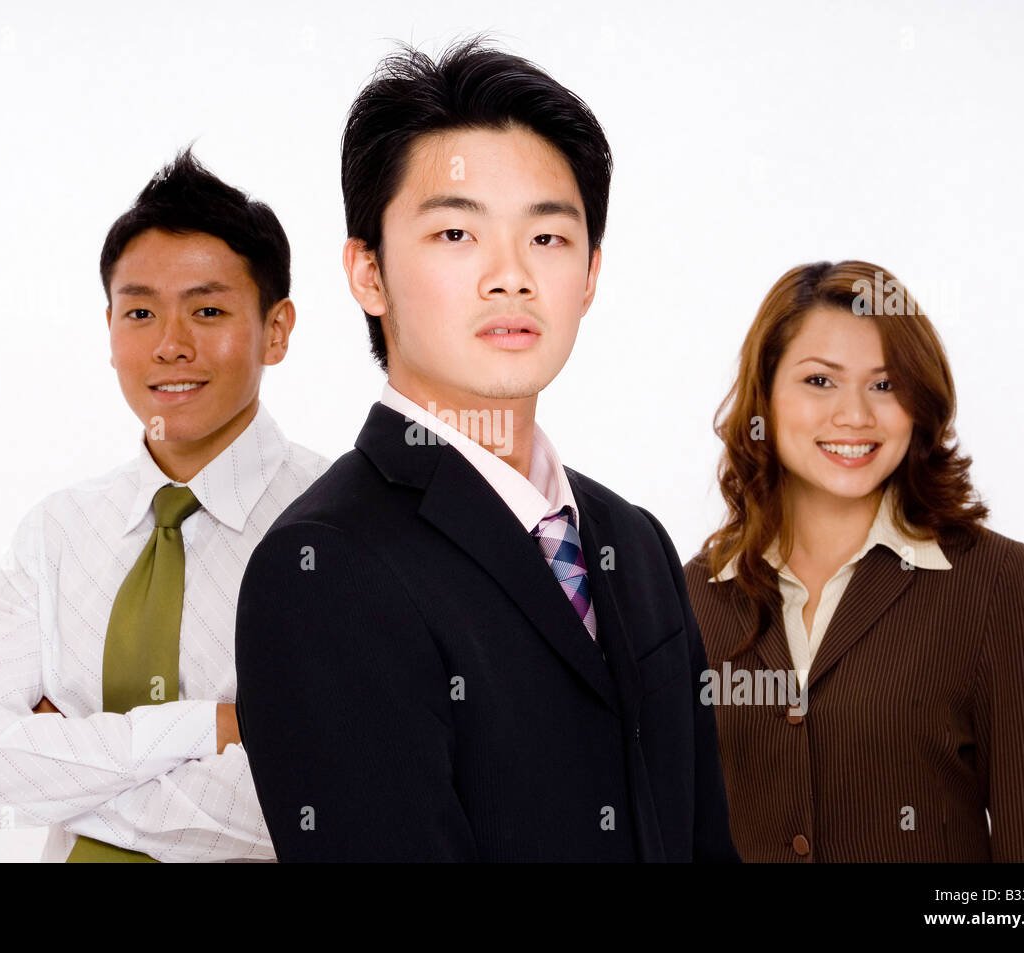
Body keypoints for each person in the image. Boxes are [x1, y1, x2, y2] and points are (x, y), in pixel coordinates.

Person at [233, 38, 739, 862]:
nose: (511, 276)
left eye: (547, 238)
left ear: (592, 273)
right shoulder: (323, 566)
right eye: (457, 235)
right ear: (367, 272)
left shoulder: (634, 543)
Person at [0, 149, 328, 861]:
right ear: (109, 328)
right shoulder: (59, 530)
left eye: (207, 309)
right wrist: (204, 727)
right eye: (140, 311)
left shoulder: (339, 523)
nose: (170, 345)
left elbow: (309, 797)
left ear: (277, 328)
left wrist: (63, 754)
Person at [683, 260, 1024, 862]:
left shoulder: (990, 580)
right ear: (765, 394)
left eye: (885, 385)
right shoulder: (696, 594)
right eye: (820, 381)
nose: (855, 416)